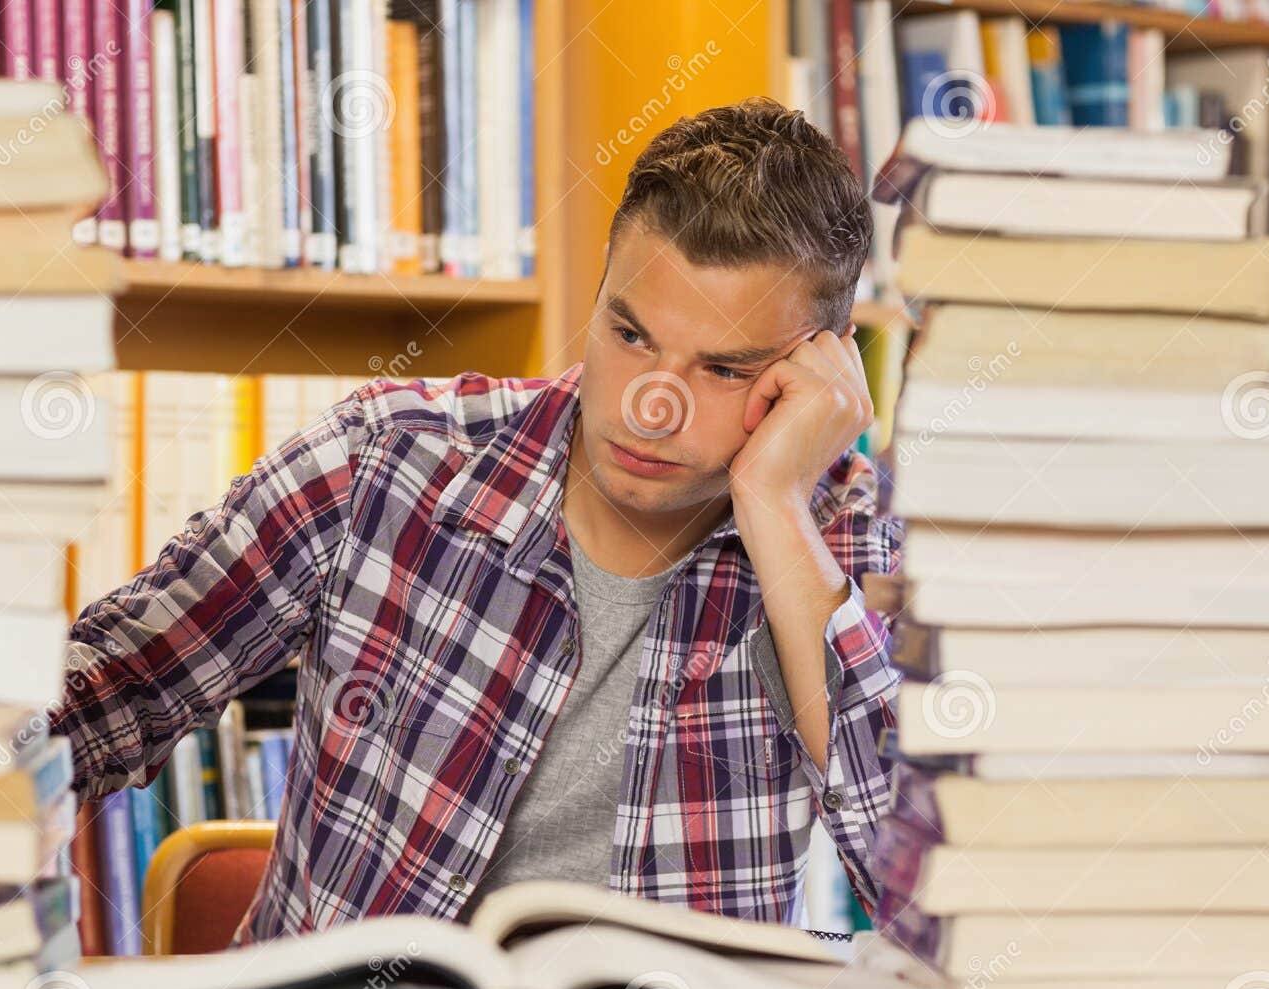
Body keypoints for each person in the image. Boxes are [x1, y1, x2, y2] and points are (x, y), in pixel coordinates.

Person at [51, 96, 903, 946]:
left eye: (722, 368)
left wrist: (778, 509)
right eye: (630, 334)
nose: (651, 408)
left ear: (816, 375)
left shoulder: (840, 544)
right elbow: (105, 697)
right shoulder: (385, 460)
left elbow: (925, 893)